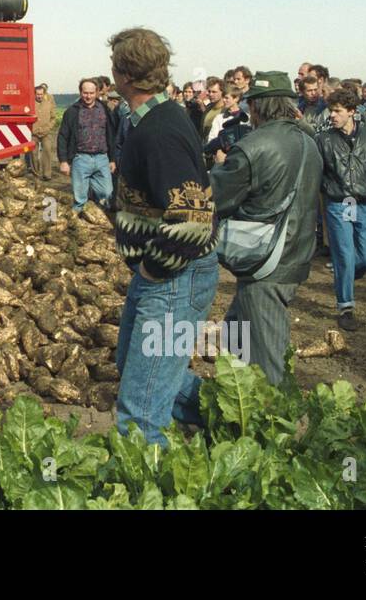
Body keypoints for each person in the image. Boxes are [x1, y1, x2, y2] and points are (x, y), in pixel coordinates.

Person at [110, 27, 218, 446]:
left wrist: (153, 270)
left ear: (124, 75)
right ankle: (231, 413)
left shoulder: (160, 131)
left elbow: (191, 220)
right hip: (160, 273)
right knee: (135, 367)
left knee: (139, 408)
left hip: (173, 276)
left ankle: (147, 485)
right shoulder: (155, 119)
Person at [210, 72, 320, 385]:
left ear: (258, 107)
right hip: (295, 253)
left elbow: (216, 197)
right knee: (235, 333)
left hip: (265, 261)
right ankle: (237, 403)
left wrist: (219, 164)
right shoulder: (308, 142)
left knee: (268, 357)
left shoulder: (252, 146)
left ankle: (275, 422)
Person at [315, 87, 366, 330]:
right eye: (331, 111)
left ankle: (347, 274)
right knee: (345, 255)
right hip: (338, 204)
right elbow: (315, 174)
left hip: (363, 204)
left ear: (352, 112)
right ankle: (346, 306)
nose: (332, 116)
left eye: (337, 111)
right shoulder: (323, 140)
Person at [57, 78, 119, 213]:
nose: (88, 96)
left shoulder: (104, 109)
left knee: (107, 192)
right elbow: (63, 136)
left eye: (91, 93)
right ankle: (77, 227)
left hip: (102, 158)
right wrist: (63, 161)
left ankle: (98, 216)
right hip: (81, 158)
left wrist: (112, 159)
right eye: (85, 93)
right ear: (80, 92)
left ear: (97, 92)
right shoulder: (72, 111)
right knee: (80, 199)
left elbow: (110, 135)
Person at [30, 84, 57, 181]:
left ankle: (47, 174)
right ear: (34, 94)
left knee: (47, 151)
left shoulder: (49, 102)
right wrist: (32, 129)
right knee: (33, 153)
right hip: (34, 132)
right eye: (37, 94)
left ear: (44, 94)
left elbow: (53, 118)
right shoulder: (31, 104)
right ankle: (35, 174)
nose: (39, 96)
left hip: (46, 132)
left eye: (41, 94)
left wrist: (48, 128)